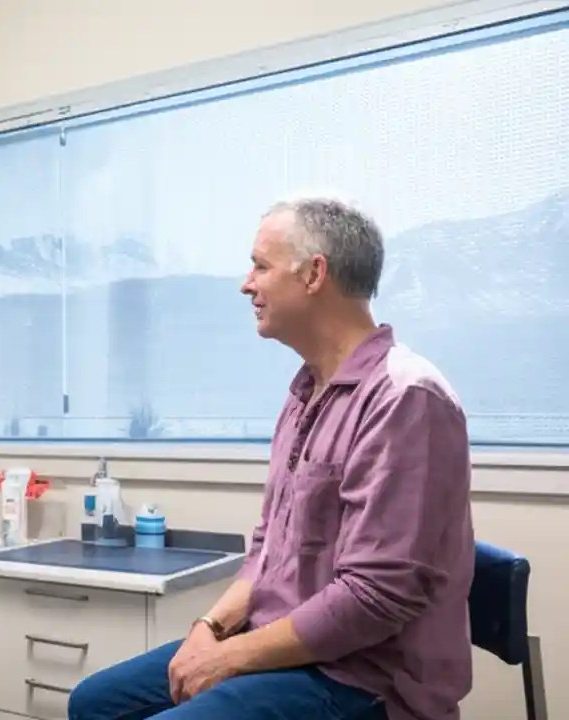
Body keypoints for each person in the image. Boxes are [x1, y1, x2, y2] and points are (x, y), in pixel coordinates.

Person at [68, 198, 474, 720]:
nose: (246, 283)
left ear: (314, 274)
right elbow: (267, 550)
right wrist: (207, 632)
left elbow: (374, 599)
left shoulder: (406, 398)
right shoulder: (306, 392)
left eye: (261, 265)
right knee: (94, 704)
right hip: (284, 653)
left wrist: (229, 658)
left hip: (362, 681)